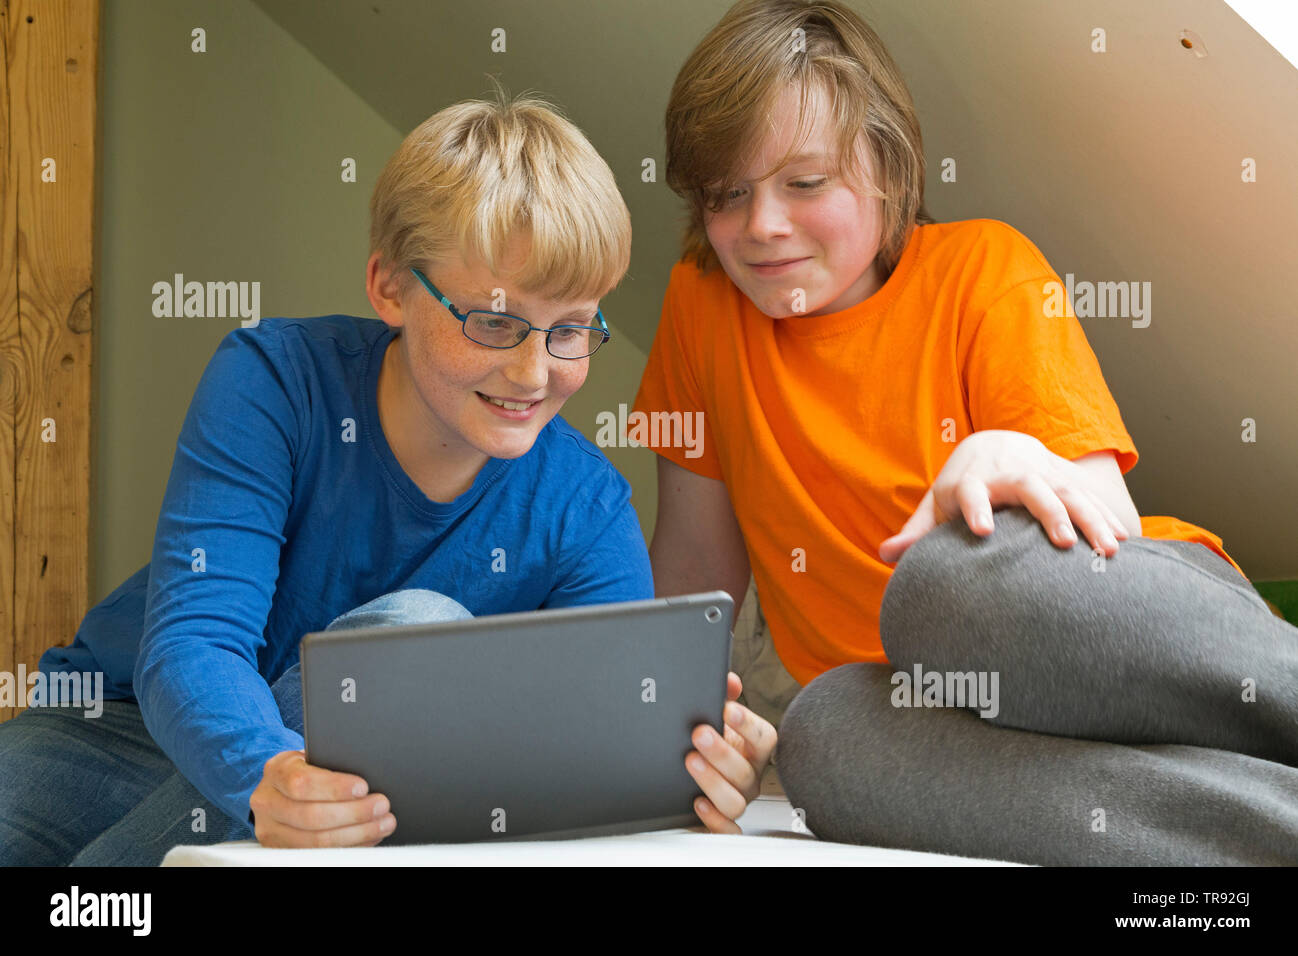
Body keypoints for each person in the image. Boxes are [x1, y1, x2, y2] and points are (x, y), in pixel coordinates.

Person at [0, 93, 772, 866]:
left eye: (570, 329)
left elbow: (599, 755)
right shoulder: (273, 383)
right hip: (121, 728)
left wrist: (697, 769)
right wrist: (267, 777)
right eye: (495, 322)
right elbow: (195, 642)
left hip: (350, 784)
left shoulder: (587, 506)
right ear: (390, 287)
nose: (534, 372)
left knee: (413, 642)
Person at [634, 0, 1298, 864]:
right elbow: (692, 576)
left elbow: (1111, 526)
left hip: (1118, 634)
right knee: (822, 739)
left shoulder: (986, 270)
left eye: (804, 183)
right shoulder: (701, 304)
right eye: (728, 194)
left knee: (940, 584)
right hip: (935, 708)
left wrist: (1007, 458)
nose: (760, 226)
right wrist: (665, 733)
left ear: (888, 164)